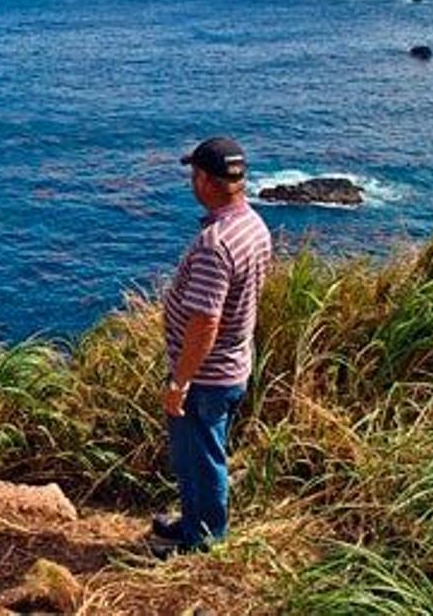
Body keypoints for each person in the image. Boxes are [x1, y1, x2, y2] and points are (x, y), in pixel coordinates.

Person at [155, 136, 272, 555]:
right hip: (233, 364)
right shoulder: (253, 225)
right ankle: (193, 523)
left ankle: (203, 543)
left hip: (206, 376)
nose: (191, 180)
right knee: (199, 455)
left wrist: (180, 382)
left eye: (194, 173)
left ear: (205, 180)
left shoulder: (215, 244)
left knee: (202, 460)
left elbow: (205, 322)